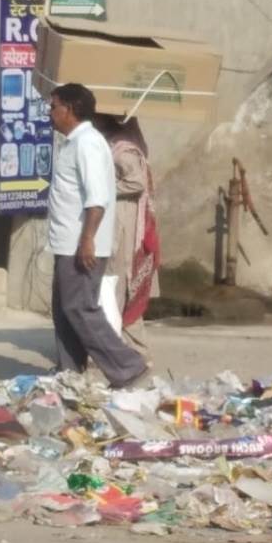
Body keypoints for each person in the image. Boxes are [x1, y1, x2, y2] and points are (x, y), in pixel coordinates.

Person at [46, 83, 149, 389]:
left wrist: (87, 239)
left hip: (81, 242)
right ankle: (69, 374)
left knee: (80, 307)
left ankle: (127, 366)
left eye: (54, 107)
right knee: (64, 310)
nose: (50, 113)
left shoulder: (87, 143)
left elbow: (97, 197)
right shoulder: (73, 142)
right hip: (67, 241)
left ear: (70, 110)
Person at [95, 115, 160, 362]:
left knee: (117, 288)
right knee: (115, 289)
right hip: (116, 222)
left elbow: (136, 183)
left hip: (124, 226)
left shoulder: (124, 151)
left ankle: (129, 351)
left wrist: (103, 187)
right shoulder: (115, 147)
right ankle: (124, 348)